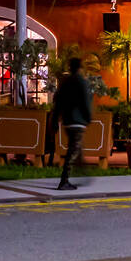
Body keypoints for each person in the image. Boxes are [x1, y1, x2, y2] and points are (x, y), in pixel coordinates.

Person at [52, 57, 93, 191]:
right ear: (80, 68)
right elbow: (86, 101)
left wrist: (55, 119)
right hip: (78, 121)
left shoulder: (65, 82)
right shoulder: (81, 82)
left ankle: (82, 174)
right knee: (73, 150)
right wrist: (88, 117)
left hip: (68, 121)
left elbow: (58, 102)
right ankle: (64, 180)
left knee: (76, 149)